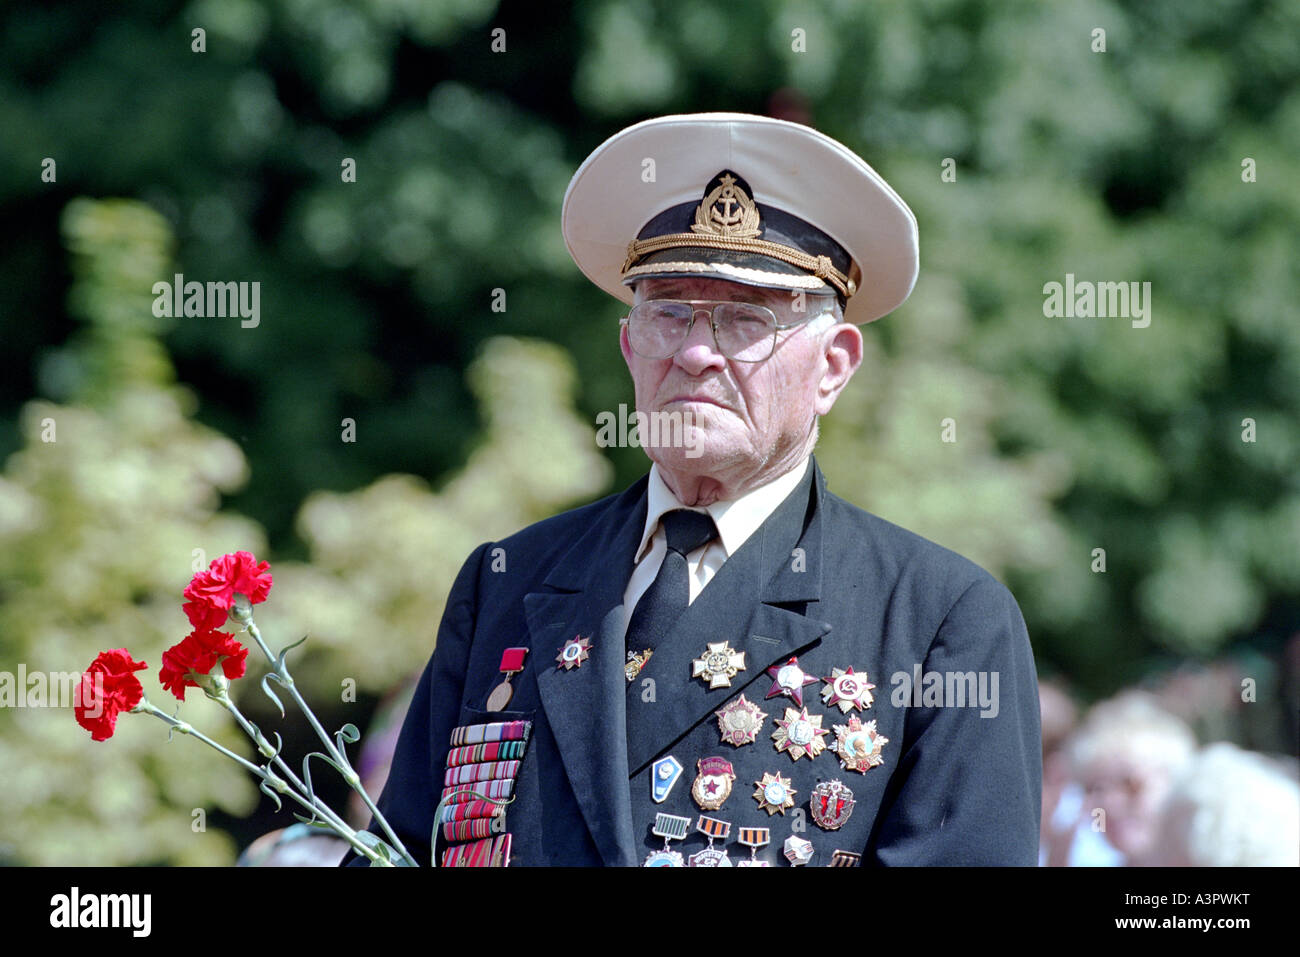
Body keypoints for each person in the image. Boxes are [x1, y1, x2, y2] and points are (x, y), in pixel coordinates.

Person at [342, 112, 1041, 867]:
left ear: (834, 366)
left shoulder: (938, 619)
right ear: (629, 344)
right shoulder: (507, 581)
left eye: (746, 319)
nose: (697, 351)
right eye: (669, 311)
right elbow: (398, 851)